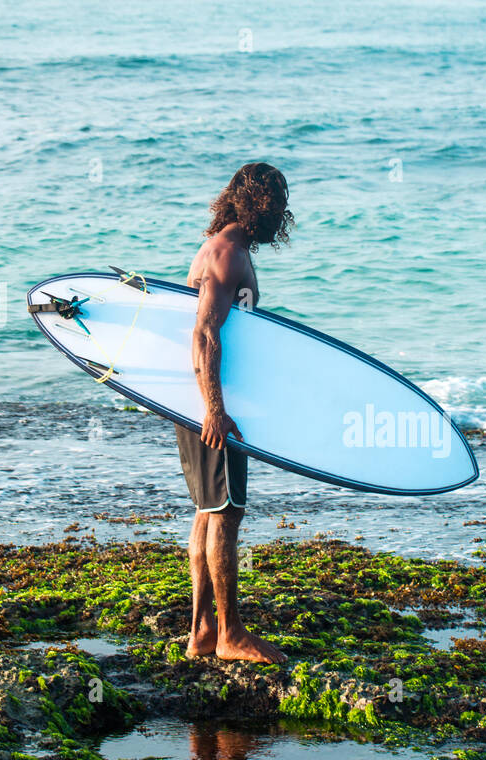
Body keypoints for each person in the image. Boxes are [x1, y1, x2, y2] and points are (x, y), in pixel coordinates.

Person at [177, 163, 293, 663]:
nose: (282, 214)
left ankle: (202, 632)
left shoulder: (222, 246)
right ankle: (230, 635)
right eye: (279, 203)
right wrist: (217, 410)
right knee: (225, 512)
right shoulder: (227, 253)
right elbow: (205, 332)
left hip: (196, 398)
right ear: (261, 205)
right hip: (211, 402)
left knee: (208, 511)